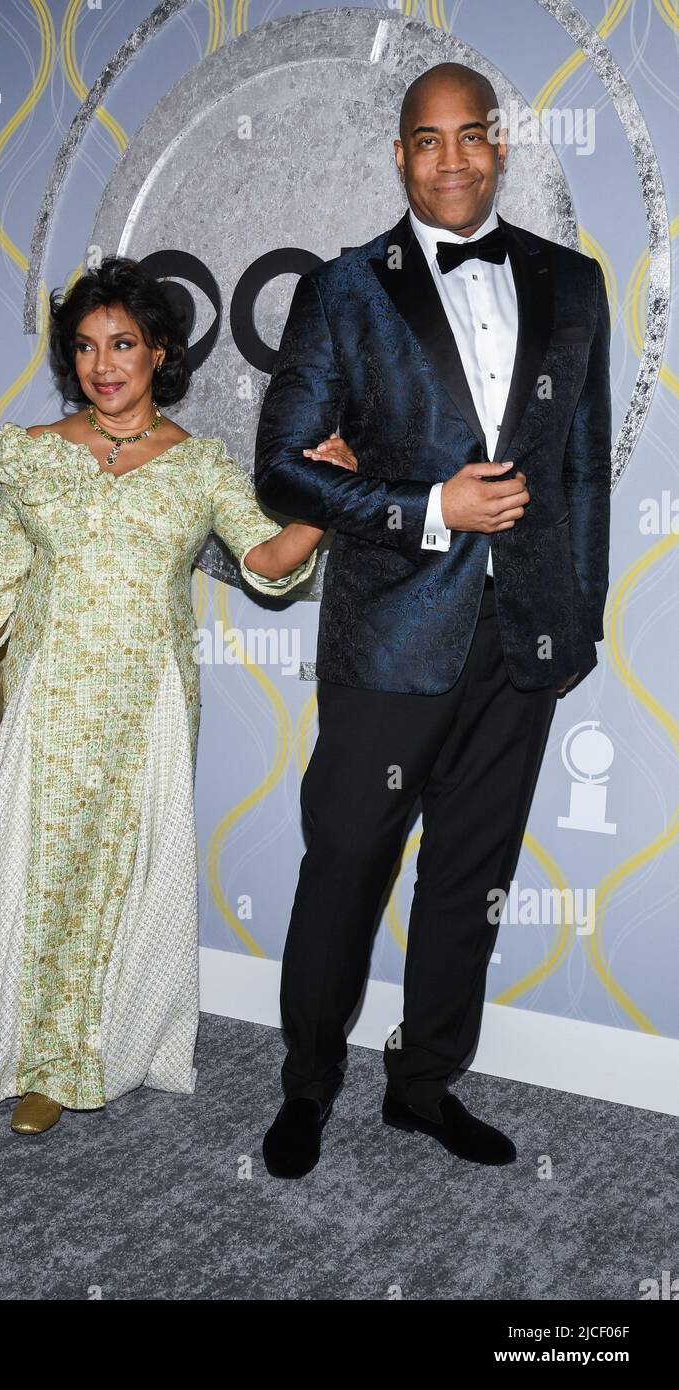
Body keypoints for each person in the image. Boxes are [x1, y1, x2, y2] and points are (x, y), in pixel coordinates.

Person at [0, 256, 356, 1134]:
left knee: (115, 874)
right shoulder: (33, 454)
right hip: (48, 694)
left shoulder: (200, 468)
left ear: (160, 351)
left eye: (123, 342)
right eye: (84, 347)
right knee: (36, 872)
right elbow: (0, 577)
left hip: (146, 704)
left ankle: (72, 1057)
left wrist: (327, 495)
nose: (102, 363)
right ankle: (19, 1042)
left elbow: (270, 566)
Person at [254, 61, 611, 1176]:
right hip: (387, 644)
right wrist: (426, 509)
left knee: (469, 878)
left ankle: (421, 1085)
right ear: (398, 153)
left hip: (519, 649)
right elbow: (280, 473)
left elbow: (585, 471)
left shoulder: (572, 281)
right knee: (343, 870)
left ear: (498, 146)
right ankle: (307, 1086)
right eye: (425, 139)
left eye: (469, 137)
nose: (449, 158)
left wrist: (575, 624)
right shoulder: (343, 288)